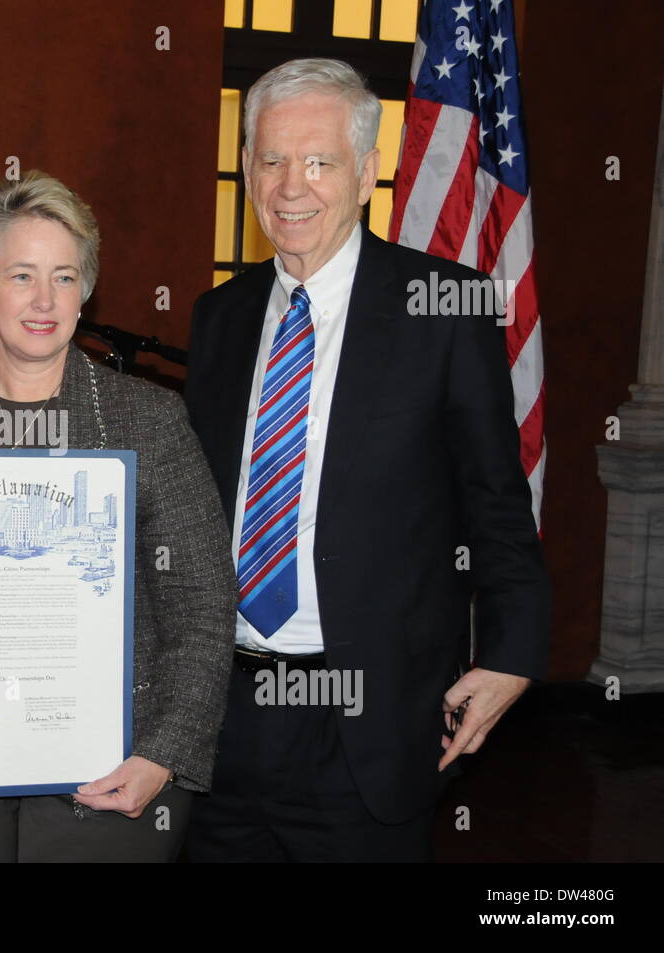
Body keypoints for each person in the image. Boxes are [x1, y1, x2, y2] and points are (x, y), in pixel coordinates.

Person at [183, 58, 551, 862]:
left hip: (370, 725)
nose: (291, 186)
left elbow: (497, 504)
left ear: (366, 176)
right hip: (223, 719)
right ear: (247, 169)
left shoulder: (445, 310)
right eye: (272, 159)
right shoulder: (220, 316)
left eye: (319, 161)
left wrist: (512, 657)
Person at [0, 171, 236, 862]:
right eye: (22, 275)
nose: (44, 300)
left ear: (86, 289)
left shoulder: (150, 420)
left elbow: (204, 603)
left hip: (111, 767)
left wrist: (163, 752)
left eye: (64, 277)